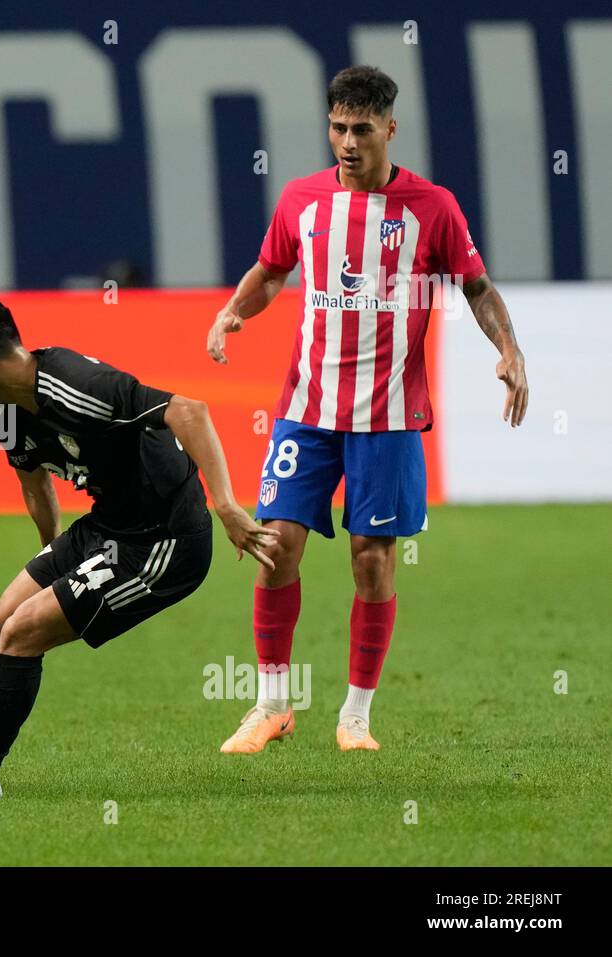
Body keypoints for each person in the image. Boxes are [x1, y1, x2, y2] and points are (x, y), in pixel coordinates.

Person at [0, 290, 278, 801]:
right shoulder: (8, 412)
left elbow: (190, 412)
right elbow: (36, 484)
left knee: (21, 632)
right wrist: (56, 561)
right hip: (106, 525)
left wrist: (227, 508)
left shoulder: (77, 385)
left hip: (162, 542)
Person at [205, 65, 529, 754]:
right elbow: (270, 270)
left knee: (373, 562)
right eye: (336, 128)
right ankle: (271, 705)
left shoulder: (432, 207)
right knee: (274, 549)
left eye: (360, 129)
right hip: (306, 408)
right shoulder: (300, 200)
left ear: (390, 127)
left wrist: (509, 348)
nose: (346, 142)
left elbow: (476, 286)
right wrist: (234, 310)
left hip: (387, 416)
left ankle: (354, 716)